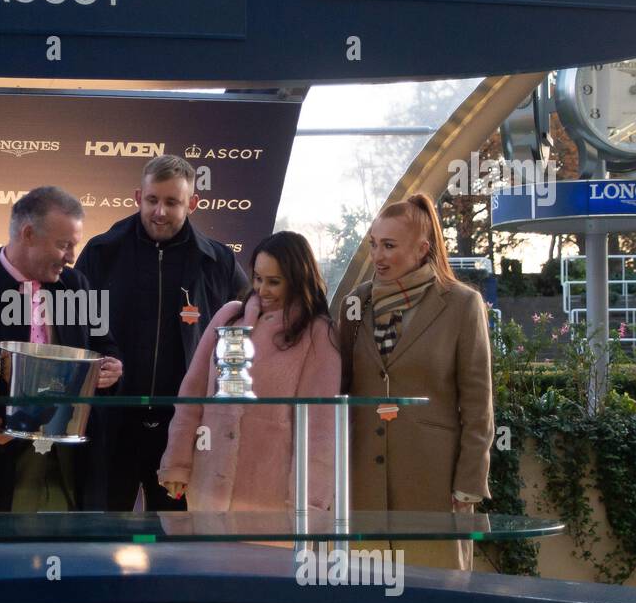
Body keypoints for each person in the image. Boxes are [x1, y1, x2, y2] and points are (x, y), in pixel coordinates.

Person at [75, 154, 248, 512]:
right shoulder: (101, 251)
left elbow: (244, 333)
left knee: (177, 541)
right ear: (138, 197)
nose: (160, 212)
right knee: (101, 536)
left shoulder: (218, 261)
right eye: (153, 200)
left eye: (172, 202)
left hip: (184, 426)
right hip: (111, 421)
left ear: (193, 203)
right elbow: (72, 330)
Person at [0, 186, 123, 512]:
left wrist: (111, 368)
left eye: (74, 245)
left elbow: (104, 346)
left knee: (72, 558)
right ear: (27, 234)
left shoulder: (78, 285)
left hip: (71, 465)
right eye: (63, 245)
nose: (70, 256)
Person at [339, 193, 494, 570]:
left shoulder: (461, 304)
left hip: (434, 484)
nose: (377, 256)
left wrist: (469, 483)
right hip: (362, 484)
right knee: (367, 598)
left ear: (422, 248)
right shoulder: (355, 305)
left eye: (389, 246)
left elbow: (479, 406)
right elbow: (338, 390)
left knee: (438, 598)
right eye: (374, 244)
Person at [157, 232, 340, 513]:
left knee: (259, 558)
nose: (262, 289)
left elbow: (319, 428)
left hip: (271, 495)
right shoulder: (229, 316)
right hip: (207, 488)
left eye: (274, 281)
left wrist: (309, 503)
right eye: (257, 278)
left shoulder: (316, 334)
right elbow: (192, 392)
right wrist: (178, 463)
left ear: (297, 279)